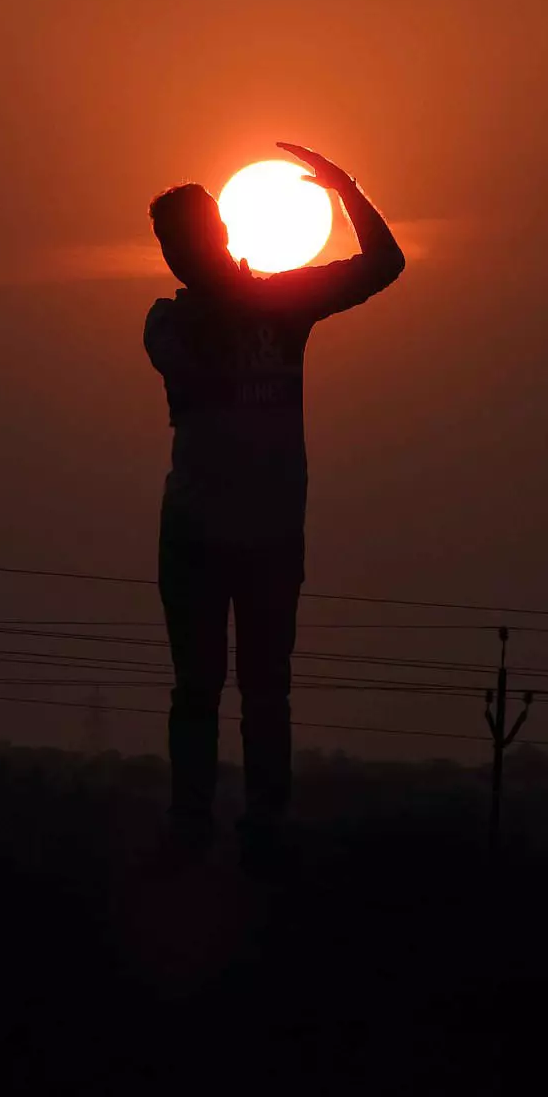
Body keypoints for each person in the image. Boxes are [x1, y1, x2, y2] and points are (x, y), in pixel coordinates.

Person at [144, 141, 405, 874]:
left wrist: (343, 185)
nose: (177, 256)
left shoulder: (280, 304)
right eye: (168, 246)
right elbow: (195, 348)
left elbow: (385, 265)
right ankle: (192, 826)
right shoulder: (167, 323)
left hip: (268, 534)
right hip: (195, 533)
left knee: (265, 688)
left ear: (219, 234)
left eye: (185, 239)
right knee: (199, 687)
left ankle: (263, 823)